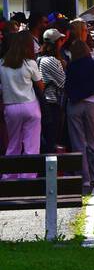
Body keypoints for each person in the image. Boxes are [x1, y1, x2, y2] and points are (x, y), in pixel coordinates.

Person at [65, 38, 94, 192]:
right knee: (92, 141)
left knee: (77, 143)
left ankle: (84, 178)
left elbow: (67, 86)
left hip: (74, 105)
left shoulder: (70, 66)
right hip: (91, 104)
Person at [0, 30, 45, 175]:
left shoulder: (2, 63)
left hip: (10, 106)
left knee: (13, 144)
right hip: (30, 105)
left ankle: (9, 178)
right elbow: (40, 85)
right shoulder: (30, 63)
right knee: (31, 146)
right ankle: (28, 179)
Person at [38, 27, 67, 152]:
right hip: (51, 104)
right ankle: (50, 170)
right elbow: (63, 83)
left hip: (44, 103)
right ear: (55, 43)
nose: (62, 43)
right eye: (60, 40)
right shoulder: (51, 61)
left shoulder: (39, 58)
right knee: (51, 140)